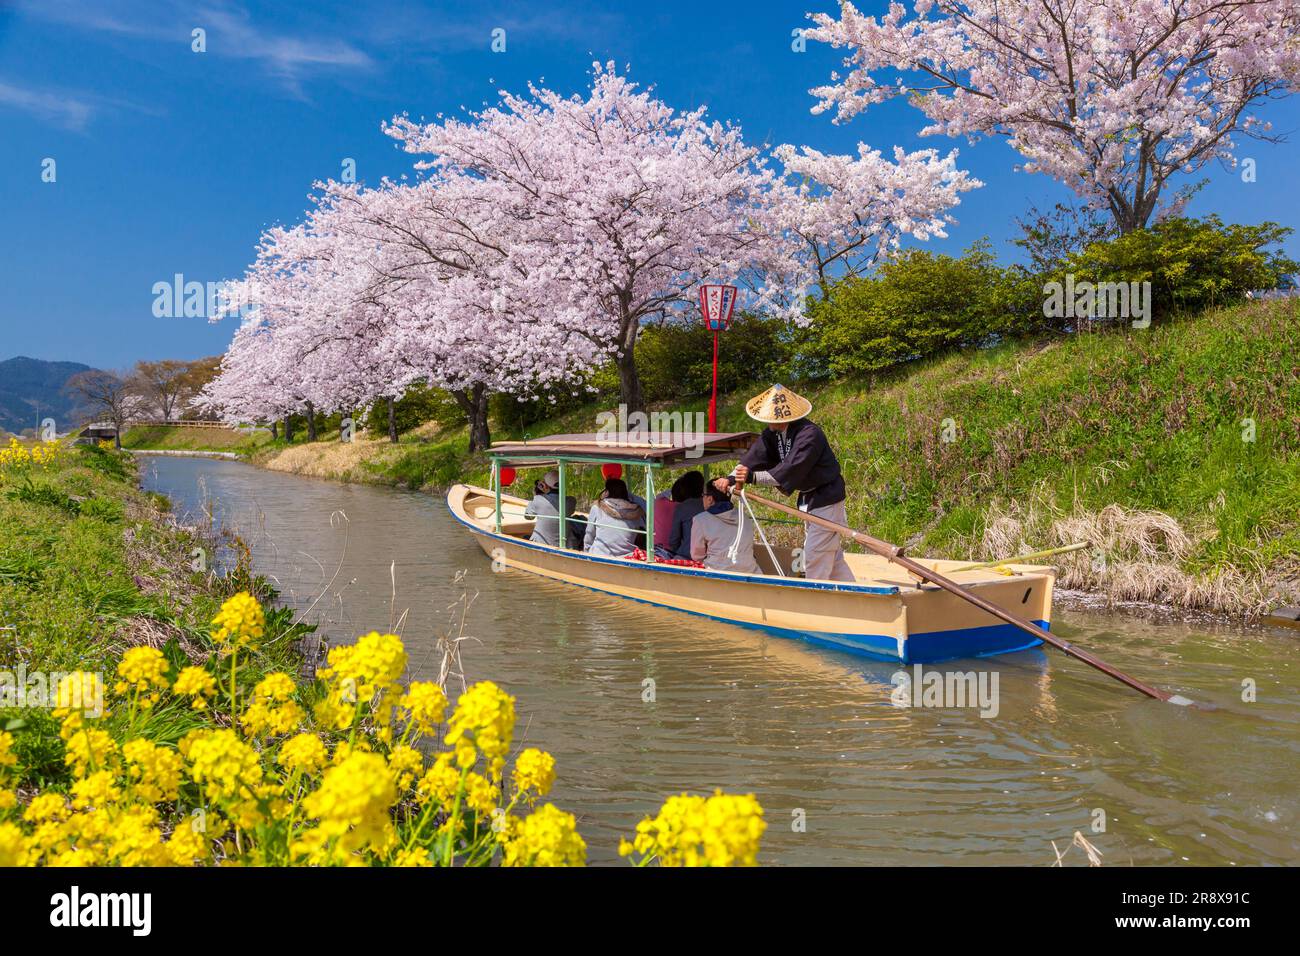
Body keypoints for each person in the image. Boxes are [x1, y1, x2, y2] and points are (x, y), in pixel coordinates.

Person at [723, 384, 854, 582]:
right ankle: (851, 594)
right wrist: (730, 478)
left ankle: (816, 600)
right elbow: (752, 459)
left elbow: (788, 470)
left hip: (827, 497)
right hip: (810, 499)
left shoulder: (809, 435)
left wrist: (750, 478)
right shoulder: (772, 434)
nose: (768, 423)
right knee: (830, 555)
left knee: (814, 555)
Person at [690, 478, 759, 574]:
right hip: (749, 571)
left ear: (710, 499)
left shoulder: (700, 520)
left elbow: (697, 556)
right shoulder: (744, 517)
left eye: (703, 495)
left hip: (716, 573)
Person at [583, 478, 646, 558]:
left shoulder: (597, 507)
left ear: (607, 492)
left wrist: (586, 552)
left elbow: (589, 535)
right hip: (626, 557)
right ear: (626, 493)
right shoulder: (636, 511)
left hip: (599, 554)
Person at [525, 471, 582, 549]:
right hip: (566, 546)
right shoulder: (571, 501)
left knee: (525, 537)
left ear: (544, 485)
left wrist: (536, 496)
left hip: (541, 543)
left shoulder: (538, 499)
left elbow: (528, 516)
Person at [666, 470, 706, 560]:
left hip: (686, 555)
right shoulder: (710, 504)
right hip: (707, 556)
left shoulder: (682, 508)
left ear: (684, 489)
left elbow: (674, 539)